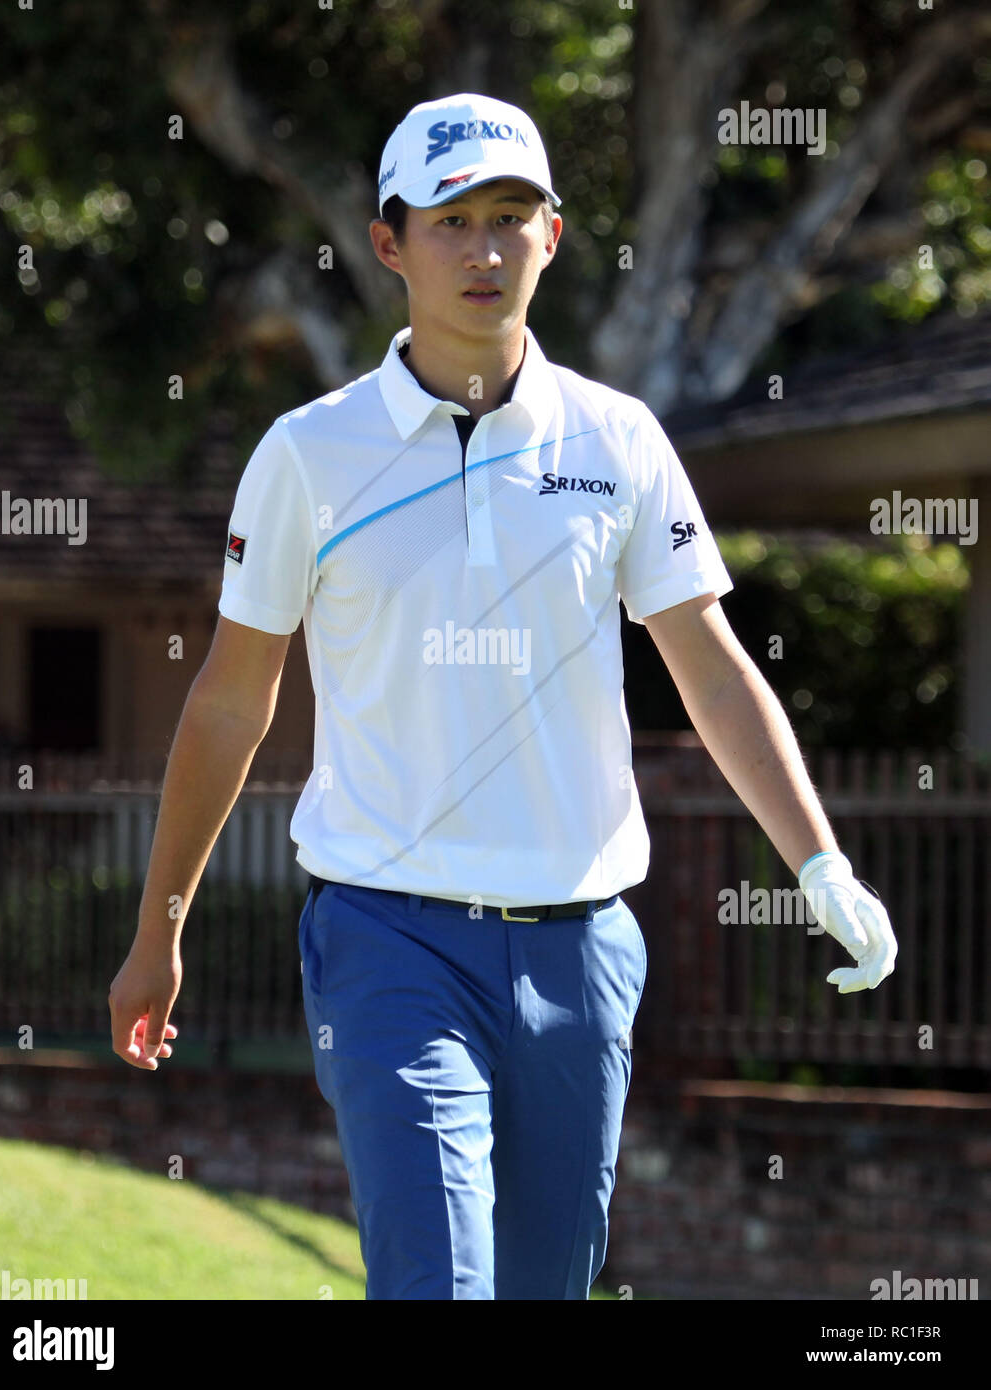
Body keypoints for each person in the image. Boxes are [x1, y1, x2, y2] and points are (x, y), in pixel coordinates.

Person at [109, 92, 898, 1300]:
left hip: (582, 948)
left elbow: (709, 662)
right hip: (385, 936)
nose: (482, 250)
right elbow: (229, 702)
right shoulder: (306, 455)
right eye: (451, 221)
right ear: (387, 242)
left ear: (553, 236)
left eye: (509, 218)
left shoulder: (619, 439)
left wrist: (819, 863)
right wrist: (160, 927)